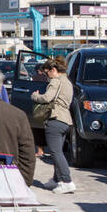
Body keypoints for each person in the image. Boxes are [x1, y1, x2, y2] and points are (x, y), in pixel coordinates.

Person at [0, 66, 36, 189]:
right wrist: (24, 182)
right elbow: (27, 153)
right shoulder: (17, 114)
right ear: (0, 87)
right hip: (8, 177)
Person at [32, 57, 75, 192]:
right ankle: (57, 179)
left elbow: (47, 98)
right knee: (58, 152)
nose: (46, 76)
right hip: (66, 120)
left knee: (55, 152)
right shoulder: (67, 82)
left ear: (54, 70)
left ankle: (67, 181)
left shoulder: (55, 81)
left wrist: (35, 96)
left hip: (55, 119)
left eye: (46, 73)